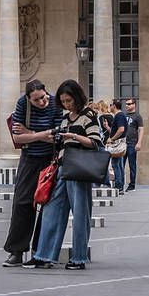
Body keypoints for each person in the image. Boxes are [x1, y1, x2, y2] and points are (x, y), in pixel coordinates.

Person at [24, 79, 103, 271]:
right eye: (63, 101)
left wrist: (73, 136)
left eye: (69, 100)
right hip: (61, 168)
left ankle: (78, 258)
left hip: (79, 170)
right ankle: (43, 256)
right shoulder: (66, 118)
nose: (67, 104)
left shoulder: (89, 115)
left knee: (81, 215)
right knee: (51, 212)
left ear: (77, 97)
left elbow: (95, 143)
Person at [2, 79, 62, 268]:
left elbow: (58, 136)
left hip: (49, 161)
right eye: (36, 100)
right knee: (22, 203)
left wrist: (32, 133)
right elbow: (17, 136)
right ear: (28, 98)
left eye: (43, 97)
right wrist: (41, 135)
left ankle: (41, 252)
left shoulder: (55, 103)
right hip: (29, 159)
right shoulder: (22, 104)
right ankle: (17, 251)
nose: (42, 102)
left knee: (47, 205)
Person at [122, 98, 144, 192]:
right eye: (126, 104)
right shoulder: (123, 115)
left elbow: (141, 130)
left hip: (132, 143)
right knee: (120, 165)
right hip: (122, 143)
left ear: (134, 104)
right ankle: (119, 184)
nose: (127, 105)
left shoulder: (137, 116)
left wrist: (139, 143)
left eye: (129, 104)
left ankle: (132, 185)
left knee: (132, 165)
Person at [108, 99, 127, 194]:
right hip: (120, 143)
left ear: (114, 106)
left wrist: (112, 139)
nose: (109, 106)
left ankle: (119, 186)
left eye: (110, 105)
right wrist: (108, 128)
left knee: (116, 164)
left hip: (117, 144)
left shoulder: (119, 115)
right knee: (119, 164)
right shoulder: (120, 115)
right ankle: (120, 186)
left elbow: (121, 129)